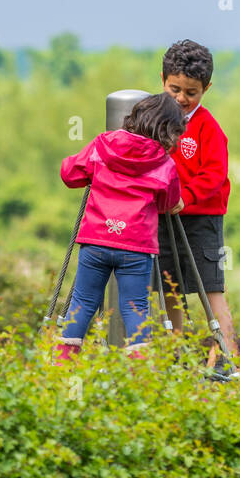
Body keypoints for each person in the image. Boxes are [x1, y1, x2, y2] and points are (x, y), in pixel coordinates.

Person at [54, 93, 183, 361]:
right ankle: (137, 378)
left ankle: (63, 369)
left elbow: (69, 174)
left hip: (96, 240)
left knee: (83, 303)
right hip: (136, 247)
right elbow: (167, 203)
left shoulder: (103, 145)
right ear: (169, 131)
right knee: (135, 308)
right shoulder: (164, 163)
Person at [155, 39, 240, 374]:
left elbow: (215, 175)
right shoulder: (156, 118)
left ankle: (228, 360)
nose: (181, 98)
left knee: (211, 290)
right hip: (163, 218)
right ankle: (176, 358)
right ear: (163, 79)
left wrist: (186, 197)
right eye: (174, 88)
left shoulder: (208, 127)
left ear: (205, 88)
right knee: (170, 290)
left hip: (201, 218)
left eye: (191, 92)